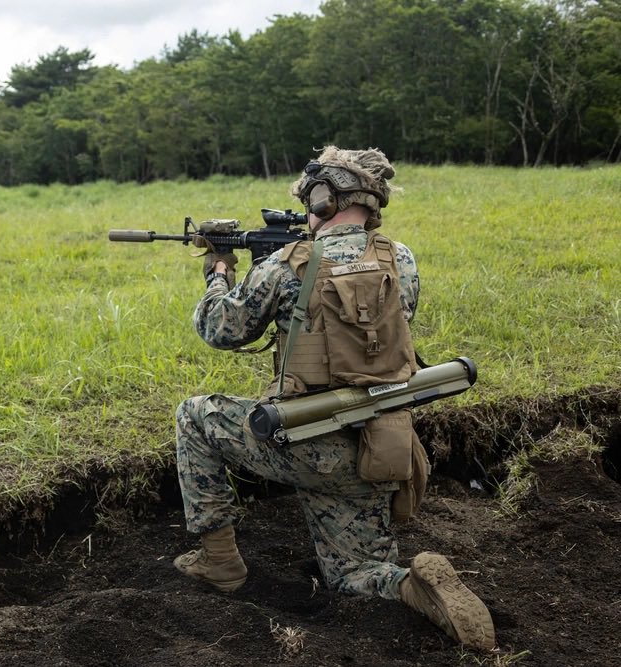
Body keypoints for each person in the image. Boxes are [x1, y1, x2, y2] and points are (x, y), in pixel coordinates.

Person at [172, 146, 495, 651]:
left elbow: (219, 328)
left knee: (194, 416)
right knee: (356, 573)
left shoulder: (284, 265)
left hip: (305, 440)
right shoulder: (399, 258)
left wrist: (219, 271)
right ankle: (411, 585)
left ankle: (220, 563)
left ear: (323, 199)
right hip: (381, 446)